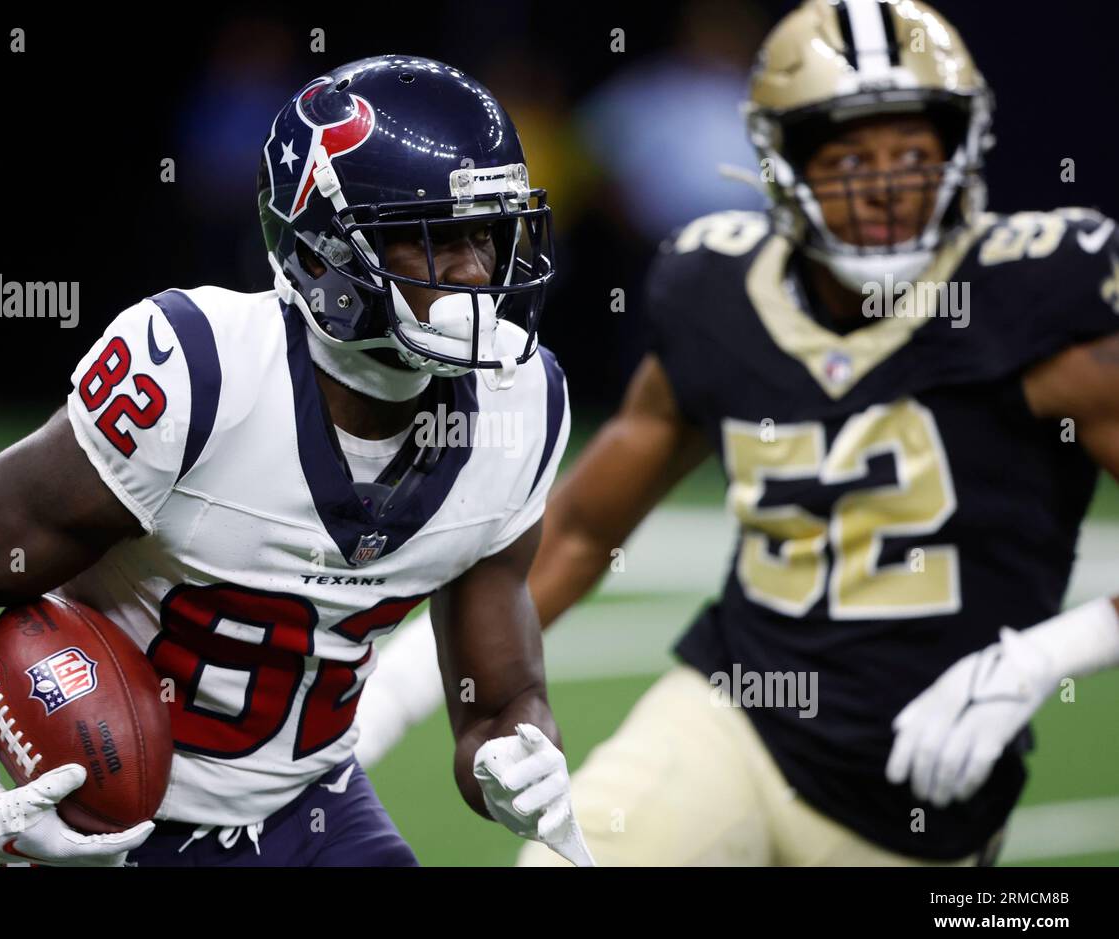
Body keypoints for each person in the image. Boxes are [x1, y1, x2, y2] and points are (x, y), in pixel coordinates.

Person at [356, 1, 1119, 866]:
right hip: (734, 713)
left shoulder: (1034, 306)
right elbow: (580, 529)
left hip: (924, 786)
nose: (886, 185)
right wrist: (394, 693)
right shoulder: (718, 294)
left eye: (914, 152)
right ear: (783, 157)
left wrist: (1050, 655)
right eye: (849, 155)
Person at [0, 55, 592, 868]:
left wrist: (517, 757)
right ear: (326, 252)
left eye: (487, 234)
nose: (475, 272)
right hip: (110, 825)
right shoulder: (198, 374)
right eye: (431, 241)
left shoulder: (522, 403)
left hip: (313, 806)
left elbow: (497, 698)